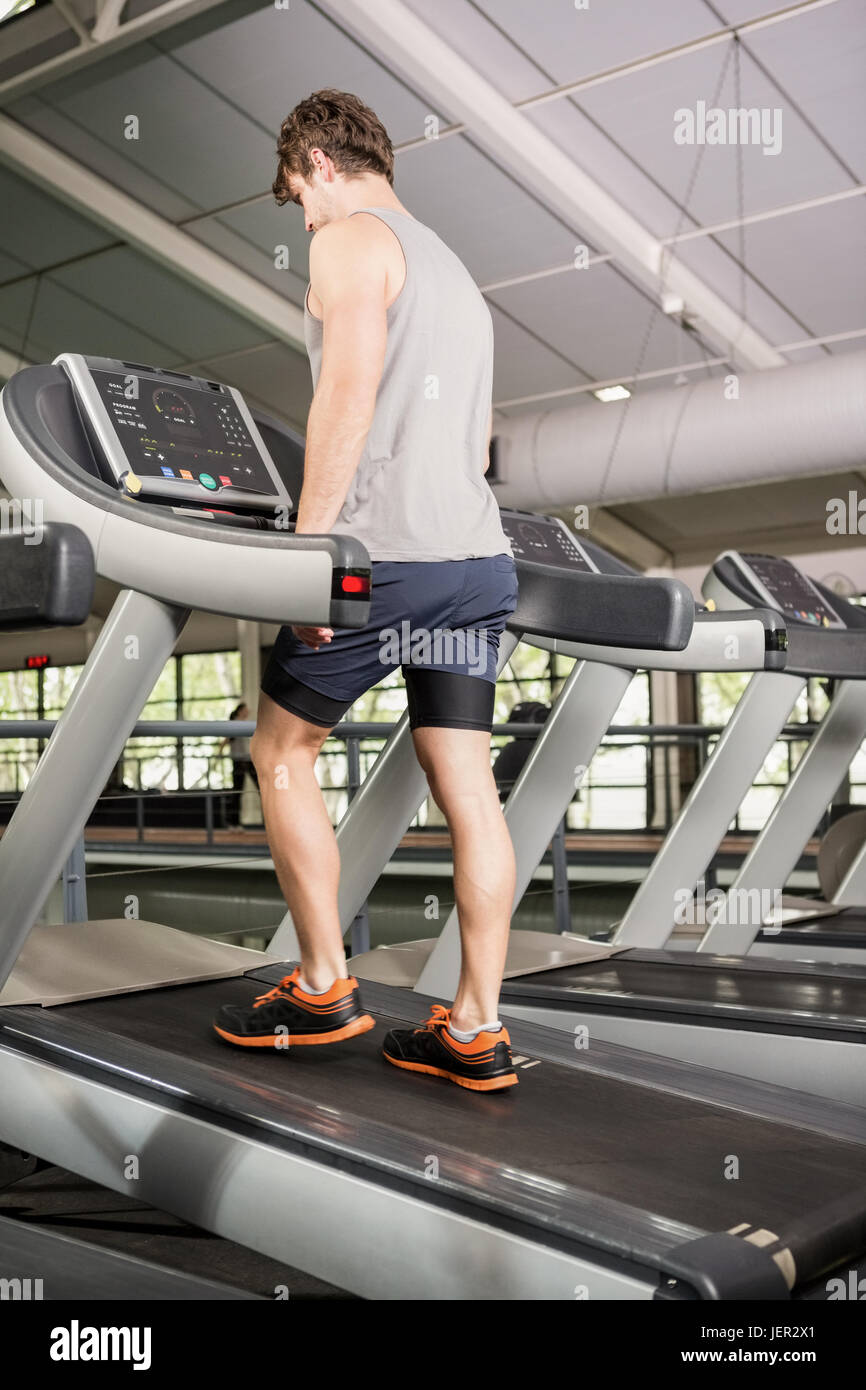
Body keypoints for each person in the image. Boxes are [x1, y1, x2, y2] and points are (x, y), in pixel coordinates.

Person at [213, 90, 519, 1092]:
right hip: (475, 561)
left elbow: (345, 388)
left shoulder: (350, 237)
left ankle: (321, 984)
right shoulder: (455, 269)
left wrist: (309, 553)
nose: (301, 217)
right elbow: (477, 443)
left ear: (315, 161)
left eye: (296, 193)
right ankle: (476, 1027)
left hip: (385, 558)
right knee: (467, 786)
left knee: (279, 751)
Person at [218, 702, 258, 829]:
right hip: (239, 762)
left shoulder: (245, 724)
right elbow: (225, 740)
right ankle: (234, 823)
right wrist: (218, 756)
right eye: (246, 709)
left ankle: (235, 822)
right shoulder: (234, 724)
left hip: (247, 760)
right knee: (238, 792)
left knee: (260, 788)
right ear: (240, 711)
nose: (249, 711)